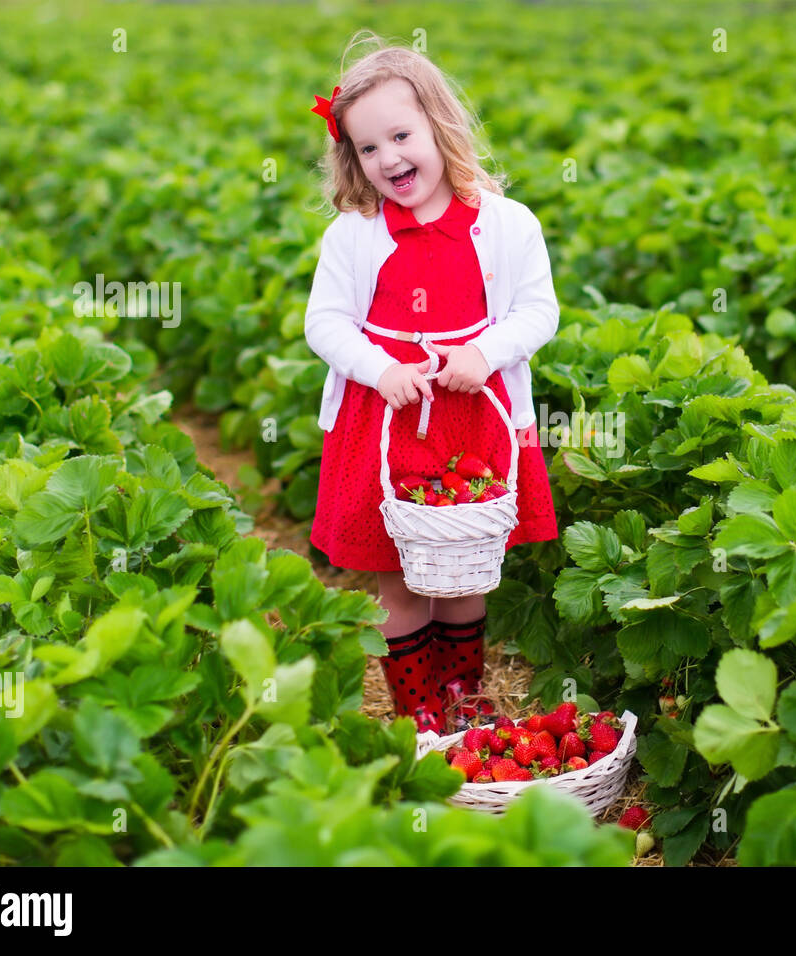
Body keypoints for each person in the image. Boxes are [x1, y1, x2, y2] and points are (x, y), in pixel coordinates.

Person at [303, 33, 560, 736]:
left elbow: (539, 310)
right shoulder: (353, 234)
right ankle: (418, 711)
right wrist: (380, 368)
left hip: (474, 414)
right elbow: (324, 324)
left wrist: (487, 350)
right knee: (399, 571)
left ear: (440, 126)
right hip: (386, 416)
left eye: (400, 136)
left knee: (464, 568)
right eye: (368, 148)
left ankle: (464, 698)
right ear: (350, 158)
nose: (388, 159)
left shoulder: (506, 224)